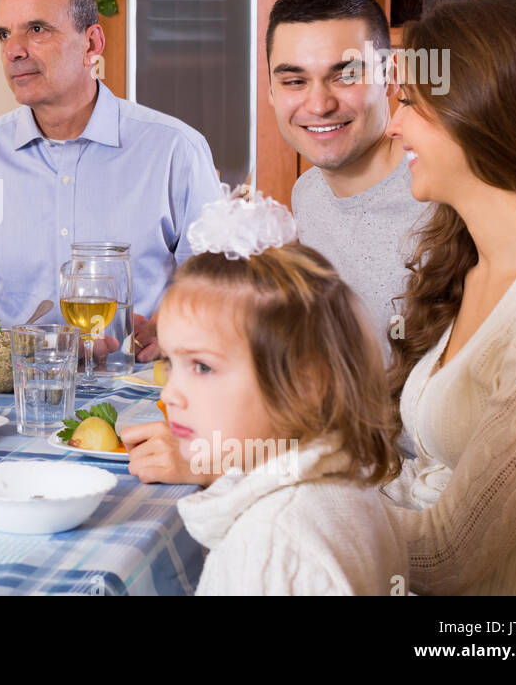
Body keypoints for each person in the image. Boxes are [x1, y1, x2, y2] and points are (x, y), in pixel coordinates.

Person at [380, 0, 516, 594]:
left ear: (480, 112)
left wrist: (290, 501)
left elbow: (449, 558)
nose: (392, 124)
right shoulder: (477, 262)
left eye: (410, 104)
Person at [0, 0, 221, 357]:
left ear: (91, 43)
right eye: (3, 35)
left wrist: (177, 334)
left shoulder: (175, 149)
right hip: (5, 397)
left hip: (136, 394)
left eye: (36, 30)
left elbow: (217, 293)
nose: (14, 50)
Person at [130, 189, 407, 594]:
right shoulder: (346, 482)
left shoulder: (273, 548)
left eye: (202, 366)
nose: (171, 395)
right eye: (171, 363)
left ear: (307, 381)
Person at [267, 0, 430, 361]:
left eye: (346, 75)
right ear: (272, 92)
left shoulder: (438, 196)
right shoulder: (306, 194)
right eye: (294, 81)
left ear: (390, 76)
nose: (319, 104)